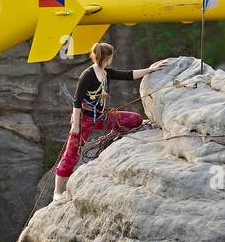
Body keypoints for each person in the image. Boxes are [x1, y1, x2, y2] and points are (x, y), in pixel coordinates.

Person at [53, 42, 163, 201]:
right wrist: (76, 126)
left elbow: (128, 75)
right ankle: (57, 192)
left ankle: (113, 136)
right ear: (106, 58)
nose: (112, 59)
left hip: (102, 116)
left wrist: (151, 70)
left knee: (135, 119)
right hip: (84, 119)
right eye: (110, 57)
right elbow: (77, 102)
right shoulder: (88, 75)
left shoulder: (106, 73)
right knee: (71, 153)